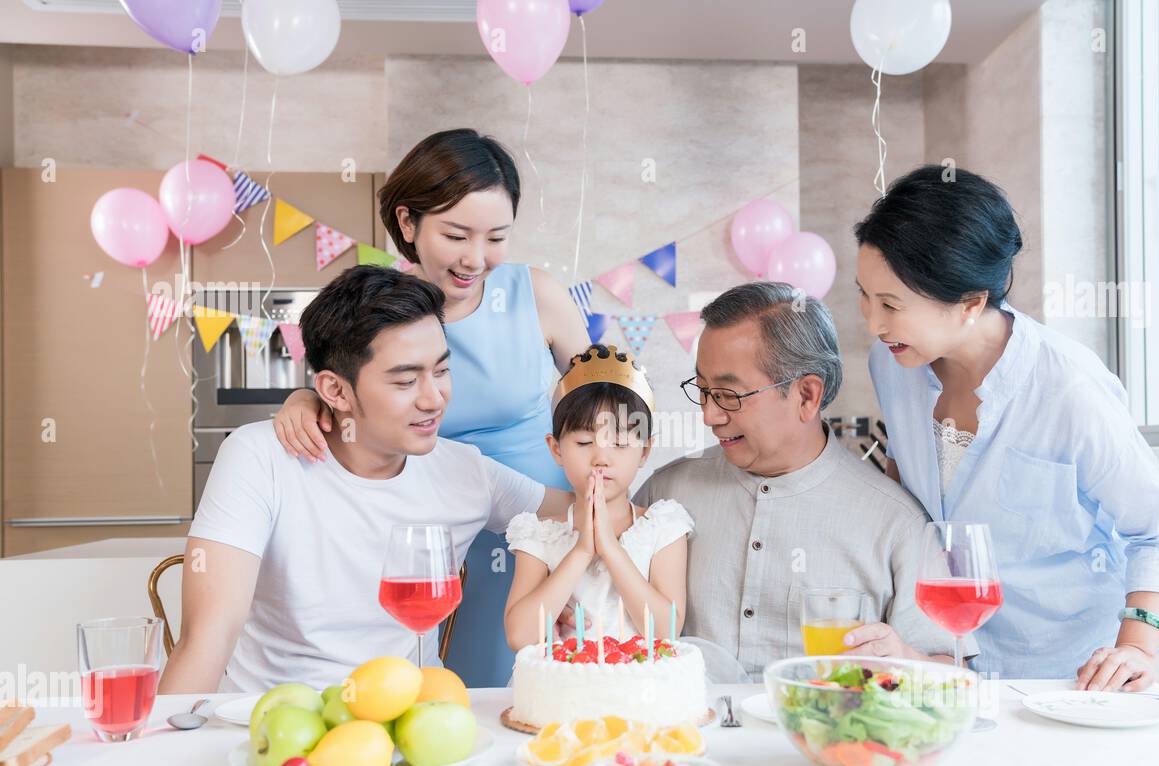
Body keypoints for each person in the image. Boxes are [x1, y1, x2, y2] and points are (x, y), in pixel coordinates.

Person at [852, 164, 1159, 691]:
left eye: (891, 305)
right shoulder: (893, 365)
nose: (872, 323)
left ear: (970, 303)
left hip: (1067, 680)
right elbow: (908, 500)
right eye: (865, 295)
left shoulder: (1069, 390)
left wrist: (1136, 648)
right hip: (948, 666)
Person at [271, 128, 590, 688]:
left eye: (496, 237)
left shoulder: (535, 295)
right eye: (456, 234)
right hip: (433, 534)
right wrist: (302, 397)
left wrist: (601, 495)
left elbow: (605, 398)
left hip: (544, 524)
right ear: (408, 223)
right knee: (448, 689)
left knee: (553, 685)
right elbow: (343, 387)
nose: (475, 258)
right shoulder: (382, 307)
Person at [159, 266, 567, 693]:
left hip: (413, 728)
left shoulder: (464, 471)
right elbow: (208, 636)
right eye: (406, 380)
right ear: (335, 391)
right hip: (275, 730)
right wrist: (160, 753)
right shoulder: (259, 456)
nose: (434, 398)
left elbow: (592, 517)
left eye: (442, 371)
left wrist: (563, 582)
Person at [633, 281, 959, 679]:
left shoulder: (896, 523)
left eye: (728, 395)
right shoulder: (664, 495)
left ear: (806, 395)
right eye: (702, 391)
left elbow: (949, 672)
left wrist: (904, 659)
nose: (710, 416)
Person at [503, 345, 693, 653]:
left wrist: (610, 548)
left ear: (644, 451)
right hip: (563, 694)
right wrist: (581, 551)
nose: (601, 458)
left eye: (619, 443)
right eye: (583, 442)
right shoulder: (539, 533)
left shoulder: (662, 526)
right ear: (556, 449)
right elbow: (520, 637)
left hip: (644, 693)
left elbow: (666, 631)